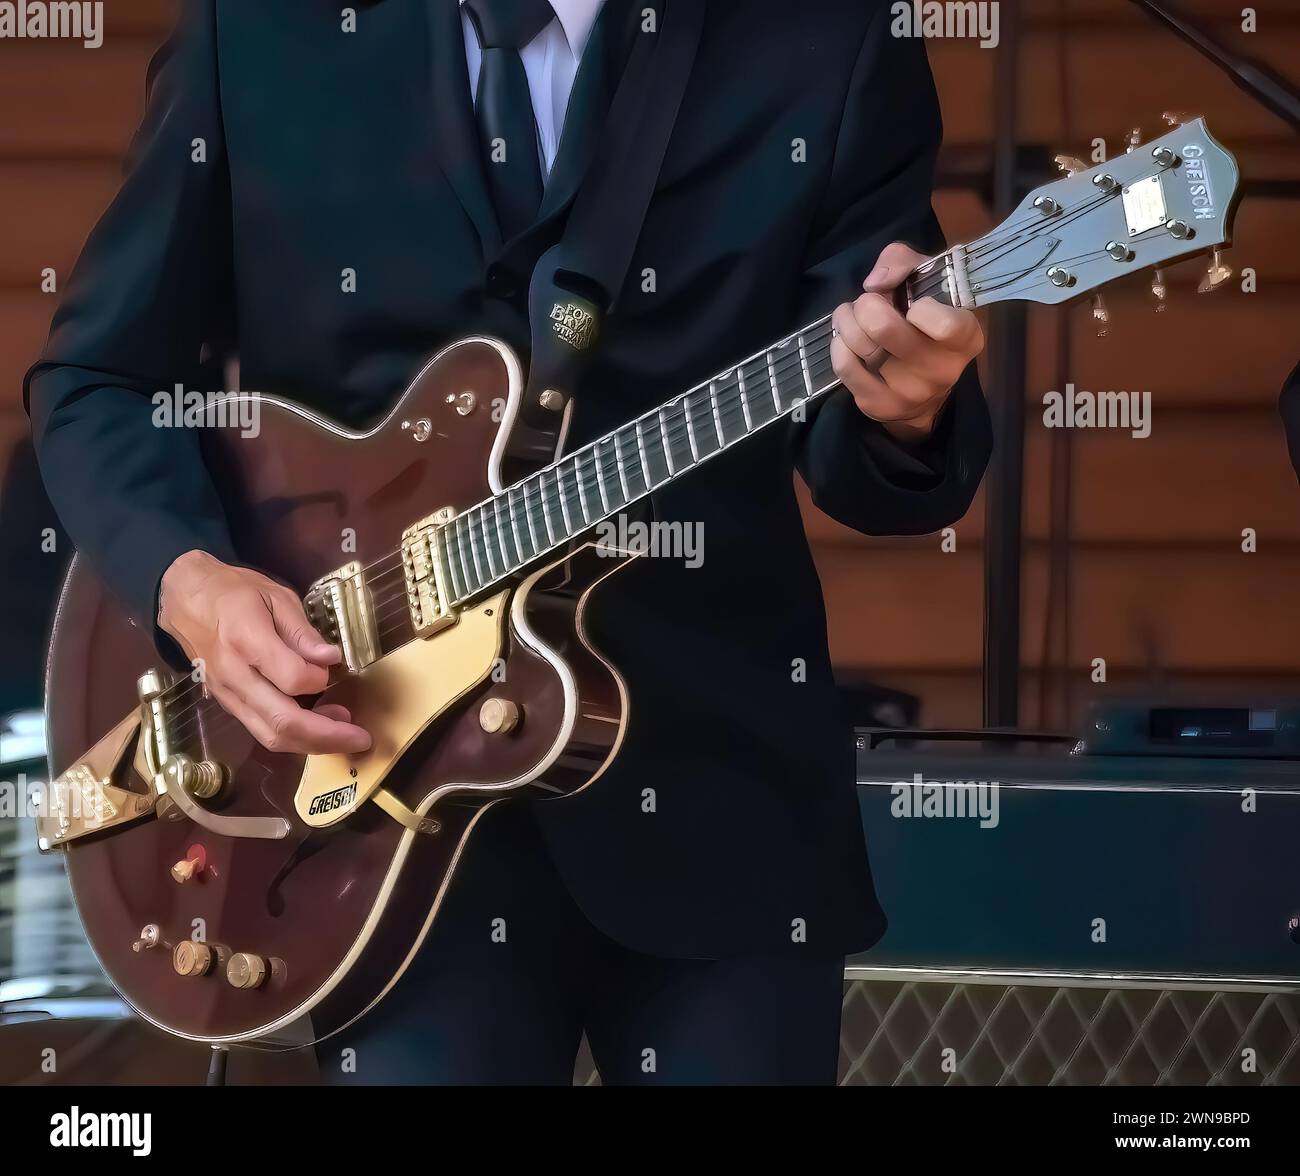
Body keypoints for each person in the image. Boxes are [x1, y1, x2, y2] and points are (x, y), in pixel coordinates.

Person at [26, 0, 991, 1084]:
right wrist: (186, 581)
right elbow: (100, 382)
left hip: (718, 801)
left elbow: (864, 452)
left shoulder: (821, 39)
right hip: (374, 826)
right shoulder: (254, 32)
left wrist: (904, 408)